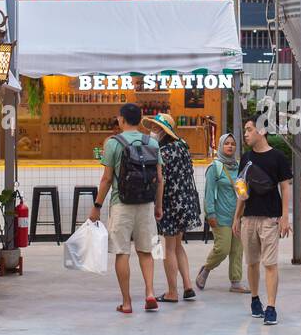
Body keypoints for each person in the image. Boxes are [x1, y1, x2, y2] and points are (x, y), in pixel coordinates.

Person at [89, 103, 163, 314]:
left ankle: (127, 302)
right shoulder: (153, 143)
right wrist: (158, 205)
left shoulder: (113, 143)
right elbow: (159, 178)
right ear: (140, 120)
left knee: (122, 252)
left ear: (121, 120)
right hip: (146, 204)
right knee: (147, 251)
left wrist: (97, 206)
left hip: (121, 204)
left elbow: (106, 179)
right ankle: (149, 293)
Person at [231, 118, 292, 325]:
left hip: (270, 218)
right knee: (252, 262)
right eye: (245, 130)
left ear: (262, 130)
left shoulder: (278, 157)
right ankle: (255, 299)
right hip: (249, 217)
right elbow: (242, 188)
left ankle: (271, 307)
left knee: (270, 263)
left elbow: (285, 187)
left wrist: (285, 217)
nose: (246, 134)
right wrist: (237, 216)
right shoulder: (246, 158)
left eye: (249, 130)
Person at [145, 113, 201, 302]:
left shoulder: (164, 152)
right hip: (186, 203)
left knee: (168, 249)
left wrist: (158, 206)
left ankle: (172, 292)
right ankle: (188, 286)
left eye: (155, 128)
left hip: (170, 203)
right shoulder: (183, 146)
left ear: (162, 130)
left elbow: (161, 181)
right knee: (178, 246)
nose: (153, 131)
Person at [196, 133, 248, 294]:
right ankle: (206, 269)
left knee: (237, 250)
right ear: (220, 146)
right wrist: (210, 214)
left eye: (233, 144)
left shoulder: (240, 166)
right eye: (227, 144)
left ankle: (236, 282)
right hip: (220, 216)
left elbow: (243, 191)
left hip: (238, 216)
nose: (230, 146)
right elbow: (209, 193)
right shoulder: (215, 167)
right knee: (222, 249)